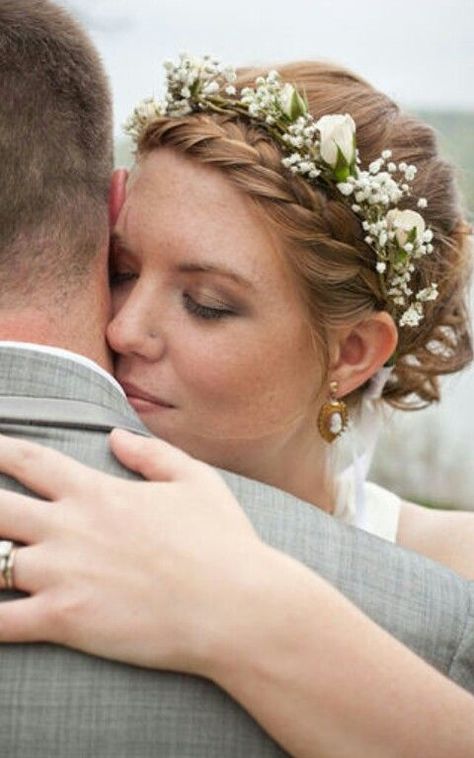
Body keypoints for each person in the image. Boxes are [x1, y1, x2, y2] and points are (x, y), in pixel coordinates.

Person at [0, 3, 473, 756]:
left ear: (352, 353)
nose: (122, 328)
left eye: (206, 304)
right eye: (119, 271)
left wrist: (244, 610)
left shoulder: (455, 576)